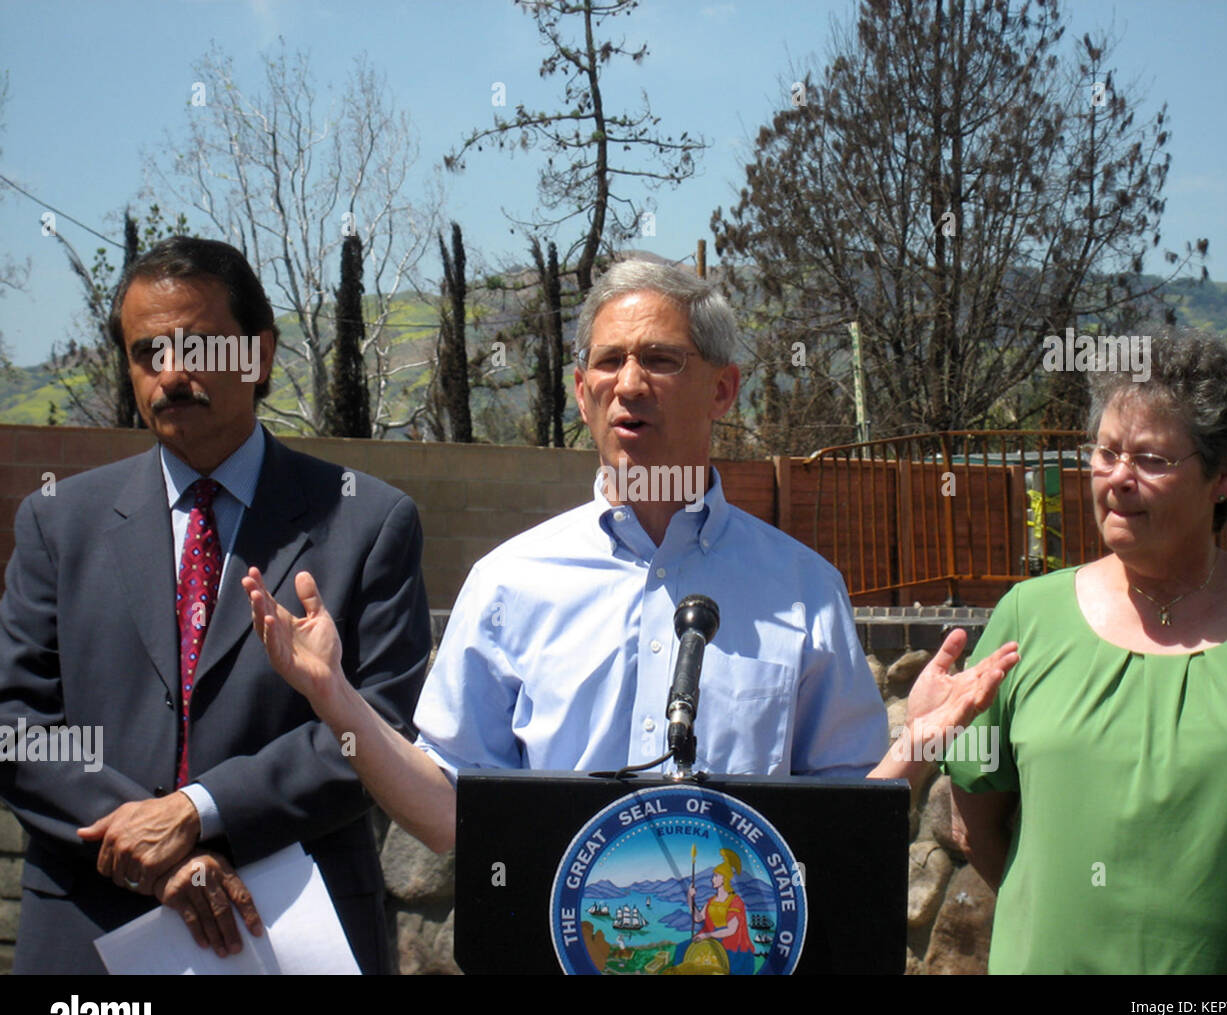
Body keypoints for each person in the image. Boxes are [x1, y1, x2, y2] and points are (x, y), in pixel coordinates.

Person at [246, 259, 1017, 854]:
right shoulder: (509, 584)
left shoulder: (804, 591)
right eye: (608, 363)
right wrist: (332, 694)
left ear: (723, 390)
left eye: (661, 359)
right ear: (581, 393)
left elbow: (839, 826)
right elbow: (453, 813)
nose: (629, 384)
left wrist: (913, 747)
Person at [0, 236, 429, 974]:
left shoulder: (366, 521)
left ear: (259, 355)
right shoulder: (58, 522)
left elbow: (376, 730)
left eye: (196, 347)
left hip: (291, 925)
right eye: (146, 353)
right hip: (91, 926)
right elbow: (17, 726)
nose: (170, 376)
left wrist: (197, 810)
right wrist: (146, 849)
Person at [947, 330, 1227, 974]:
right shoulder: (1027, 619)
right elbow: (977, 820)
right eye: (1106, 453)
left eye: (1151, 459)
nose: (1118, 480)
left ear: (1224, 475)